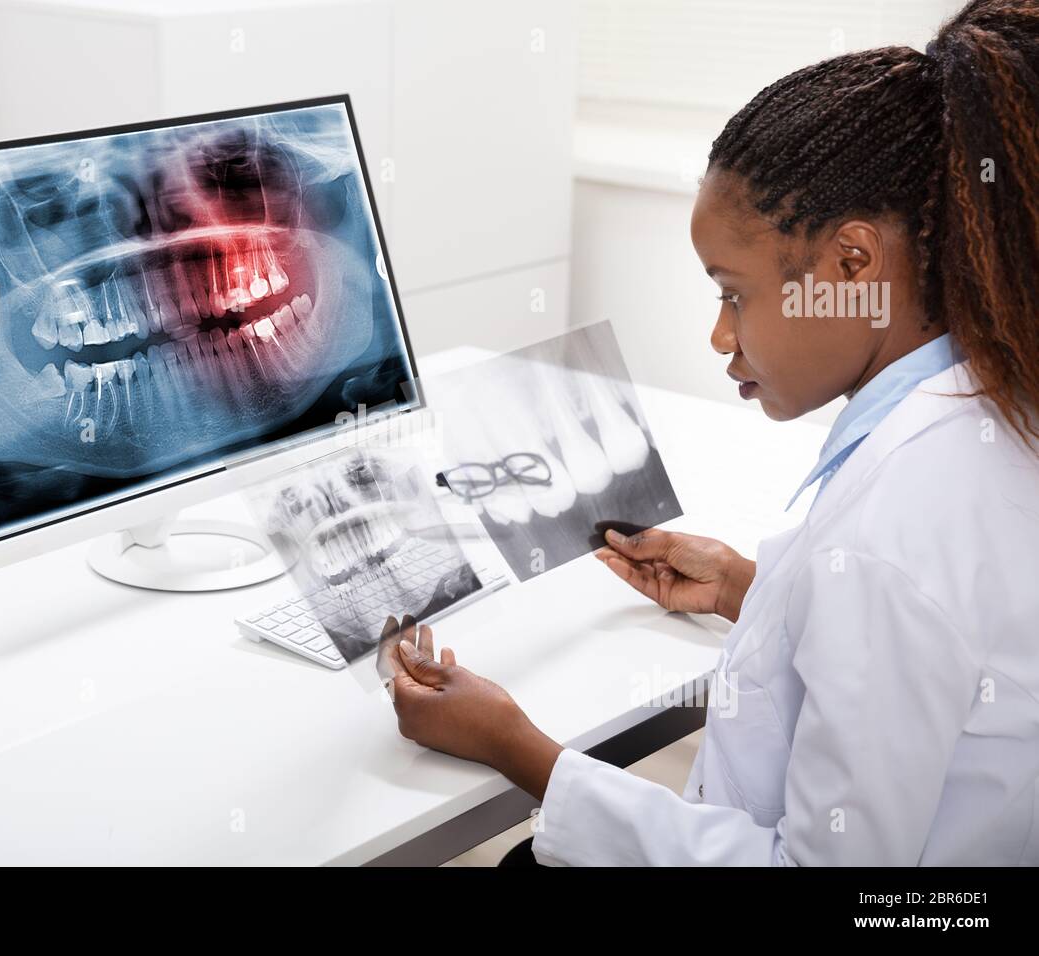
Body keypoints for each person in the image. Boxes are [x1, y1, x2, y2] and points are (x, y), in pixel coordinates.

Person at [386, 0, 1039, 865]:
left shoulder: (899, 527)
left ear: (852, 265)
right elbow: (933, 654)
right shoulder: (992, 408)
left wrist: (519, 748)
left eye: (734, 292)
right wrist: (747, 589)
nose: (721, 336)